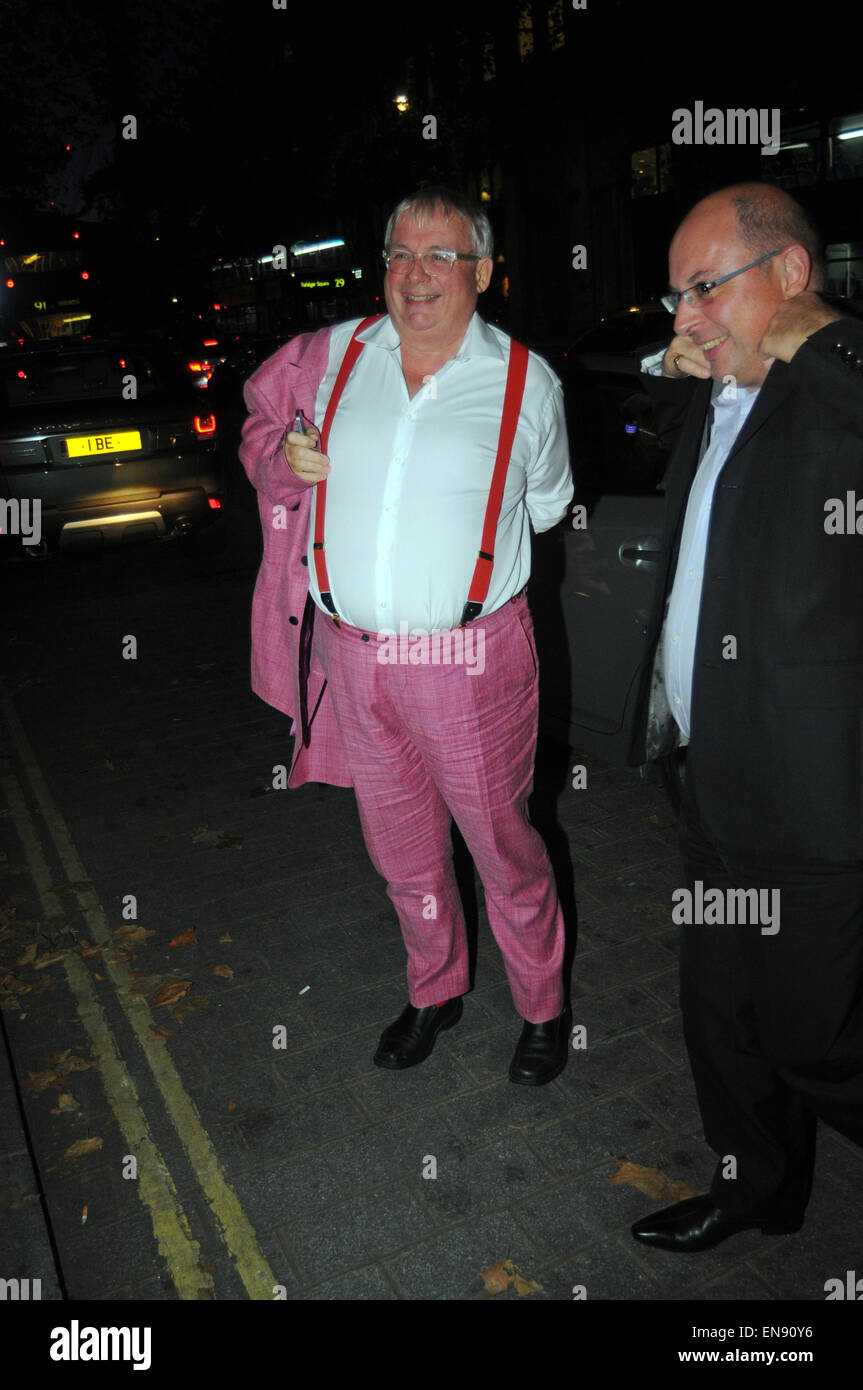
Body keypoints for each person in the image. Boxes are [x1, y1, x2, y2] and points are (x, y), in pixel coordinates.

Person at [238, 187, 574, 1084]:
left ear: (483, 272)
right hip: (351, 656)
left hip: (467, 658)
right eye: (399, 254)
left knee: (502, 845)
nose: (415, 274)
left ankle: (541, 1006)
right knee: (401, 849)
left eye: (441, 256)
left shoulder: (525, 381)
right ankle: (435, 989)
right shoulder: (332, 356)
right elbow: (259, 430)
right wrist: (281, 462)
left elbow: (543, 505)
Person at [629, 181, 863, 1252]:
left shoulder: (835, 390)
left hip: (811, 800)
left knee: (819, 1034)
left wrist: (817, 341)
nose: (681, 317)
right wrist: (705, 350)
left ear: (790, 279)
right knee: (721, 1019)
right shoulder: (723, 391)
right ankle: (752, 1187)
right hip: (706, 774)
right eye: (673, 295)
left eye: (701, 288)